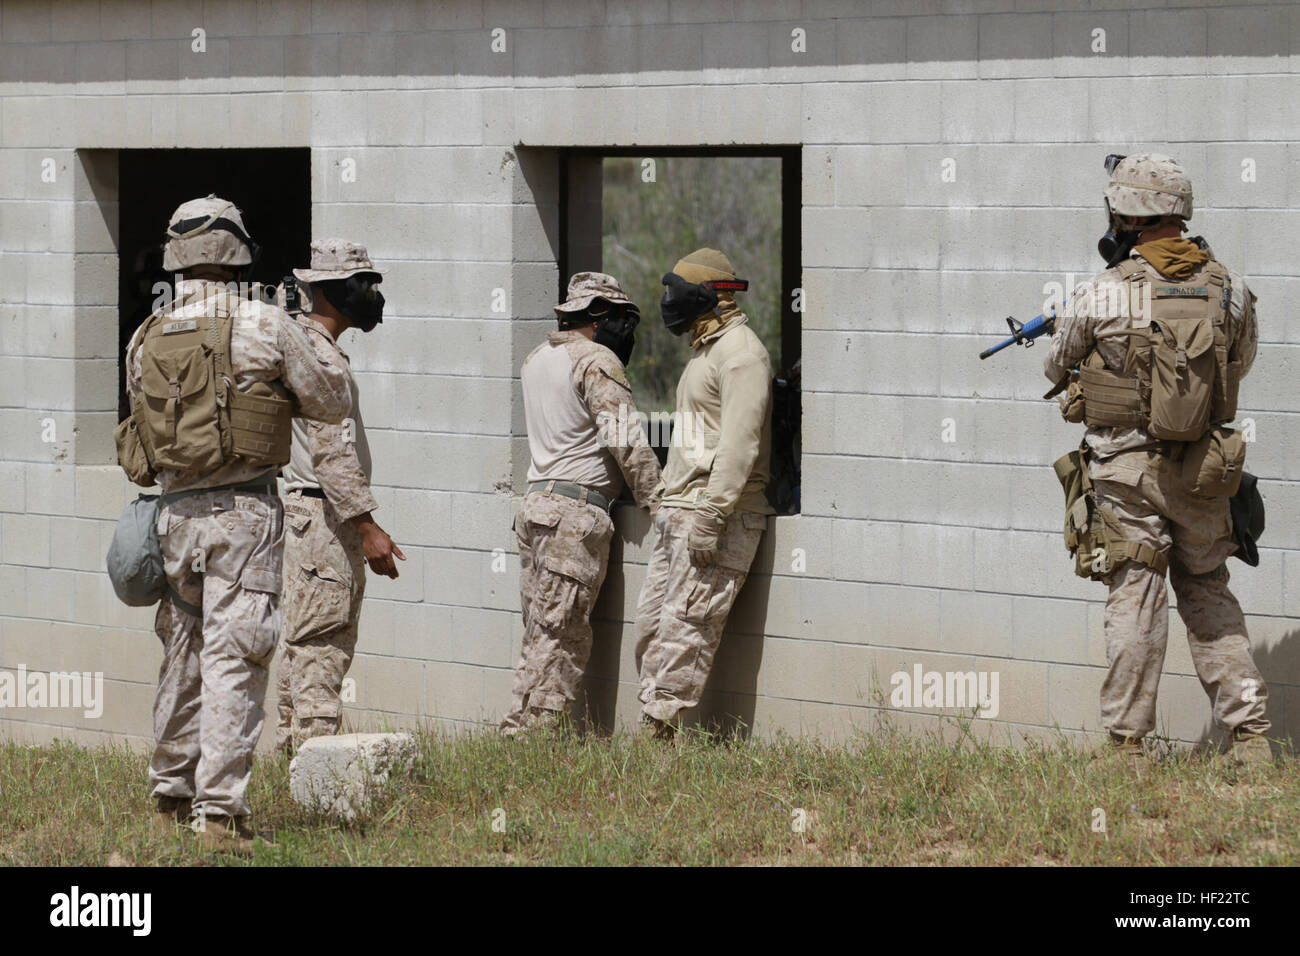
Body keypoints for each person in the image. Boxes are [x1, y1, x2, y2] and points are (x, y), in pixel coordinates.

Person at [121, 196, 353, 852]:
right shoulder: (264, 322)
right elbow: (331, 401)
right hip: (244, 515)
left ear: (176, 257)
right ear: (239, 254)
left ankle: (170, 797)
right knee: (236, 657)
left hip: (173, 518)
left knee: (182, 653)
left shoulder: (146, 335)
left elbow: (142, 425)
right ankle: (220, 816)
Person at [1043, 154, 1272, 770]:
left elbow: (1055, 365)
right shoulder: (1231, 288)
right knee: (1209, 591)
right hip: (1203, 470)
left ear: (1124, 216)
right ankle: (1252, 742)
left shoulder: (1102, 290)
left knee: (1135, 594)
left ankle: (1127, 748)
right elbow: (1242, 362)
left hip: (1124, 472)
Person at [501, 272, 661, 735]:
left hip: (536, 507)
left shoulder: (536, 357)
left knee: (541, 633)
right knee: (562, 638)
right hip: (573, 515)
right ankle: (535, 742)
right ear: (596, 316)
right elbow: (624, 438)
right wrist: (658, 499)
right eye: (621, 318)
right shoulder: (595, 359)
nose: (626, 330)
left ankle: (517, 735)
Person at [634, 249, 773, 739]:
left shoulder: (742, 355)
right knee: (652, 629)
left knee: (685, 632)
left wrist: (712, 515)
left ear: (707, 295)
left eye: (675, 291)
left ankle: (659, 740)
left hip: (716, 516)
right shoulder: (705, 351)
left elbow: (739, 445)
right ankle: (652, 729)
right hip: (679, 510)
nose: (667, 301)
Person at [276, 239, 404, 751]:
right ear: (326, 290)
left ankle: (293, 755)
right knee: (322, 643)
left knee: (306, 640)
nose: (371, 294)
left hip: (315, 513)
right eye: (361, 283)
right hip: (324, 515)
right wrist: (367, 527)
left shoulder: (310, 346)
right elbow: (331, 453)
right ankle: (316, 766)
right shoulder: (318, 356)